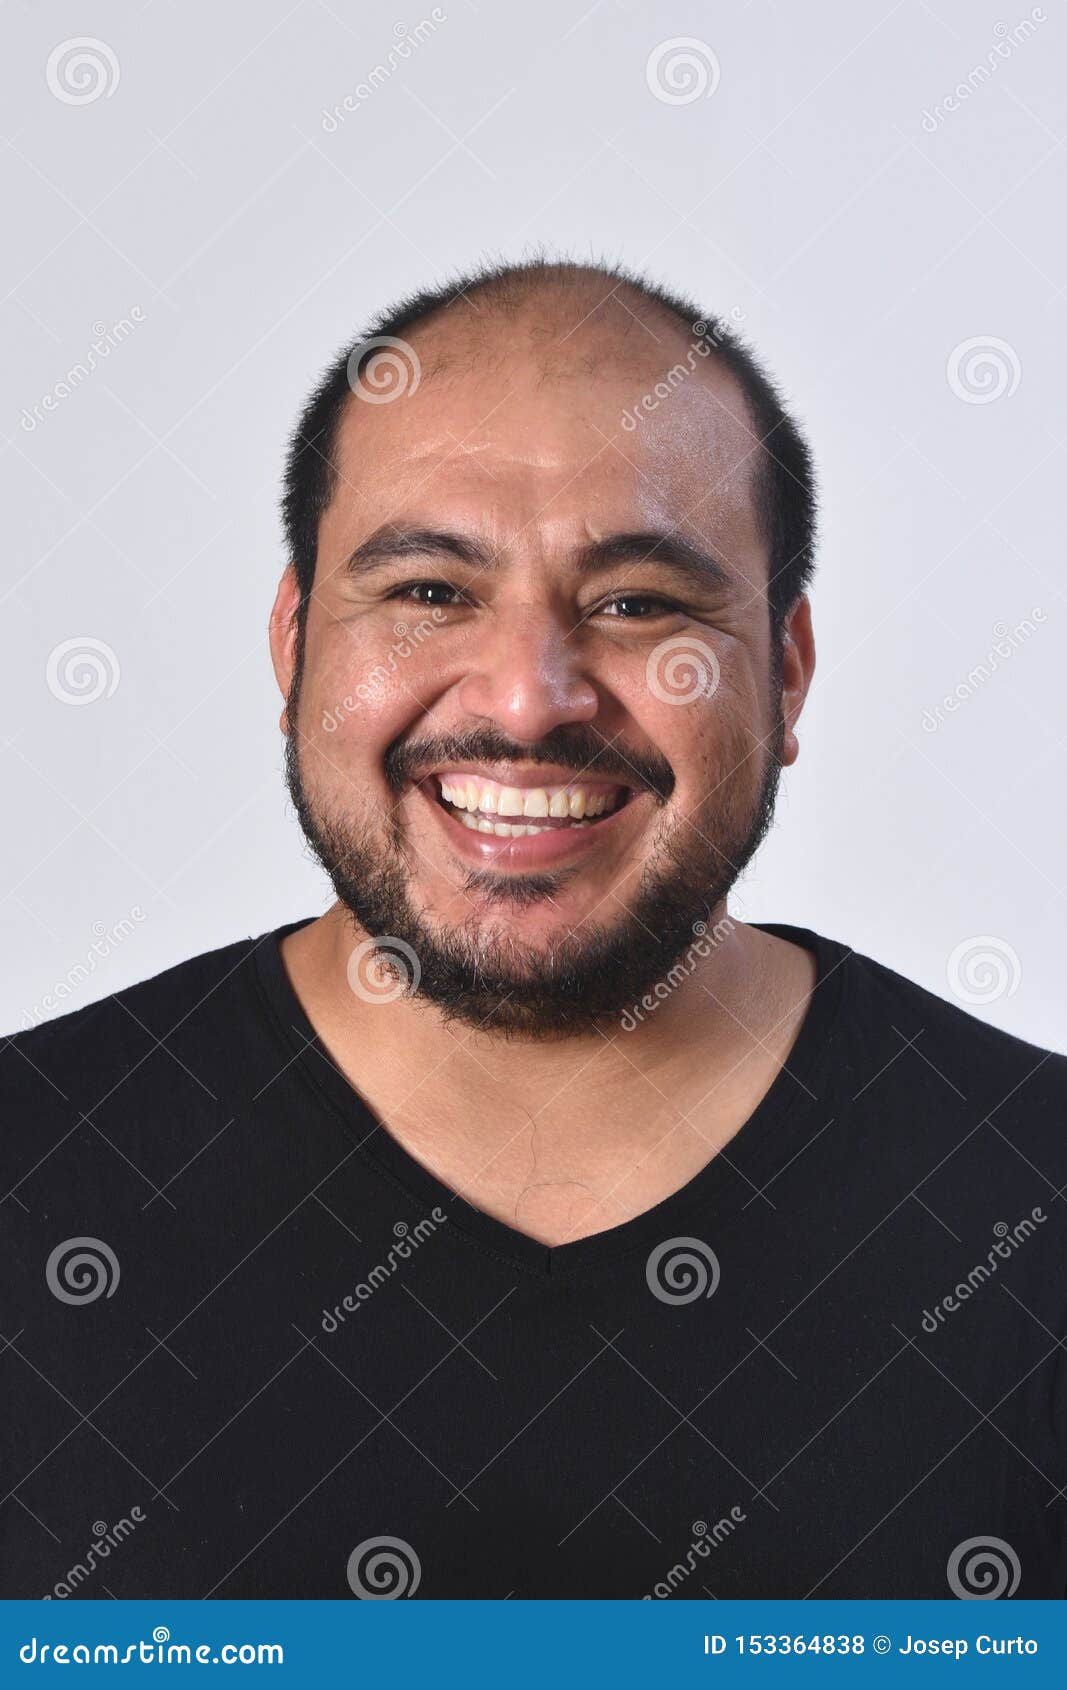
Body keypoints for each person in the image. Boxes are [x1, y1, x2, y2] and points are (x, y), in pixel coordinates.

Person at [2, 259, 1064, 1601]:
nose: (527, 697)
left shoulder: (1030, 1207)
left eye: (638, 603)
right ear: (293, 647)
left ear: (786, 672)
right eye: (430, 590)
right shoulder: (31, 1173)